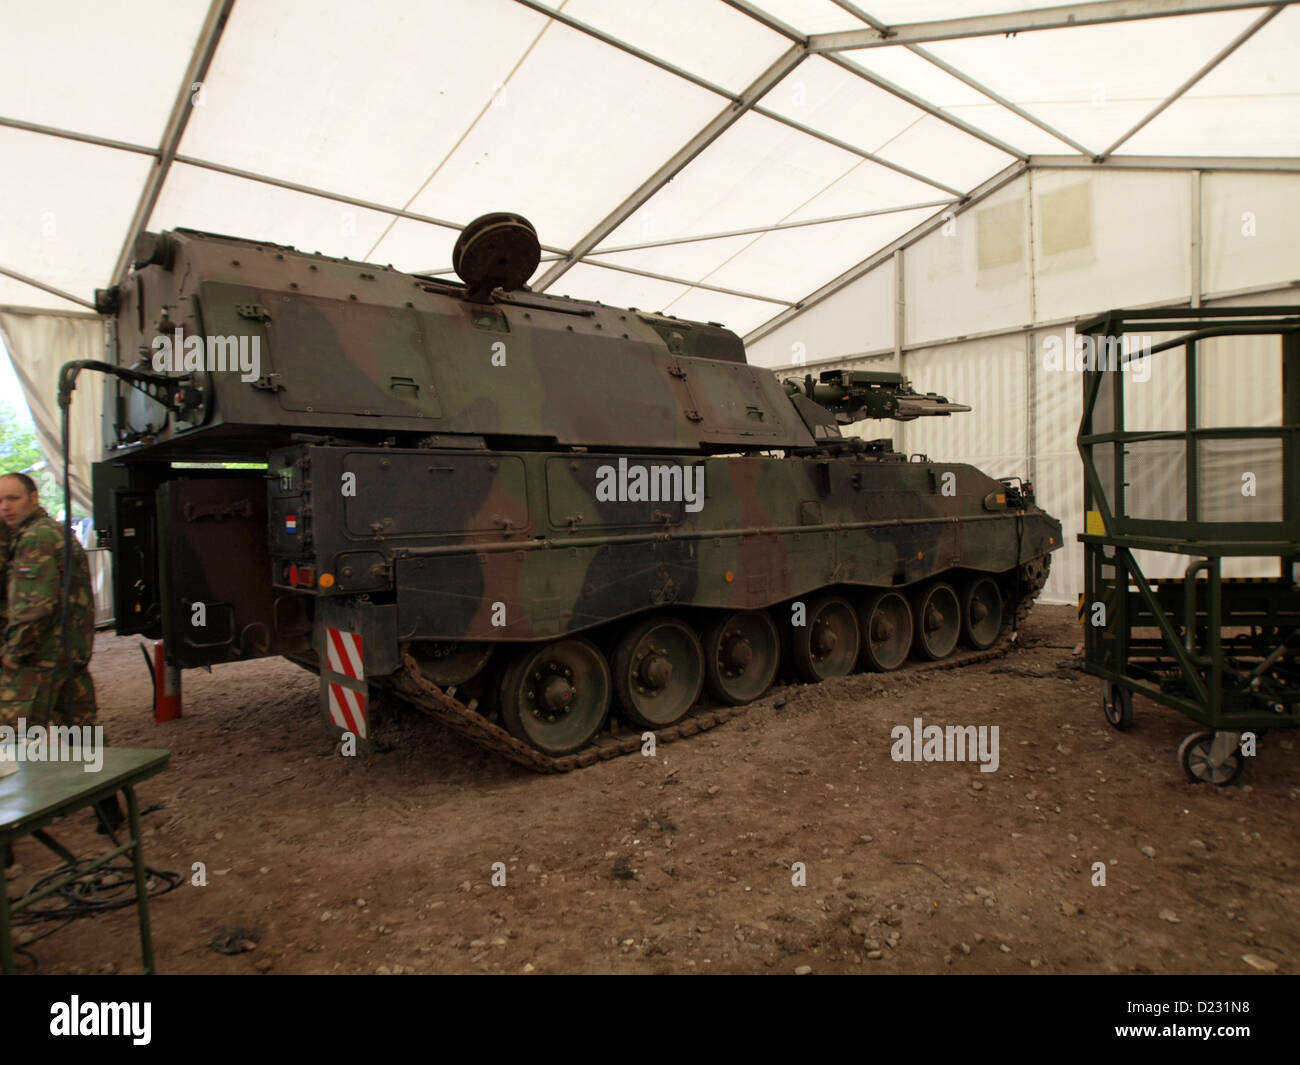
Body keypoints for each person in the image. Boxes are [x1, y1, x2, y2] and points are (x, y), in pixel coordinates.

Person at [0, 473, 122, 844]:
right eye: (0, 501)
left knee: (10, 741)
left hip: (38, 662)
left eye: (13, 498)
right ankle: (110, 810)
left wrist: (11, 657)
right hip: (69, 656)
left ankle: (10, 836)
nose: (5, 507)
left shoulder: (36, 538)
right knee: (80, 732)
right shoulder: (51, 533)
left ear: (33, 497)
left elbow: (33, 609)